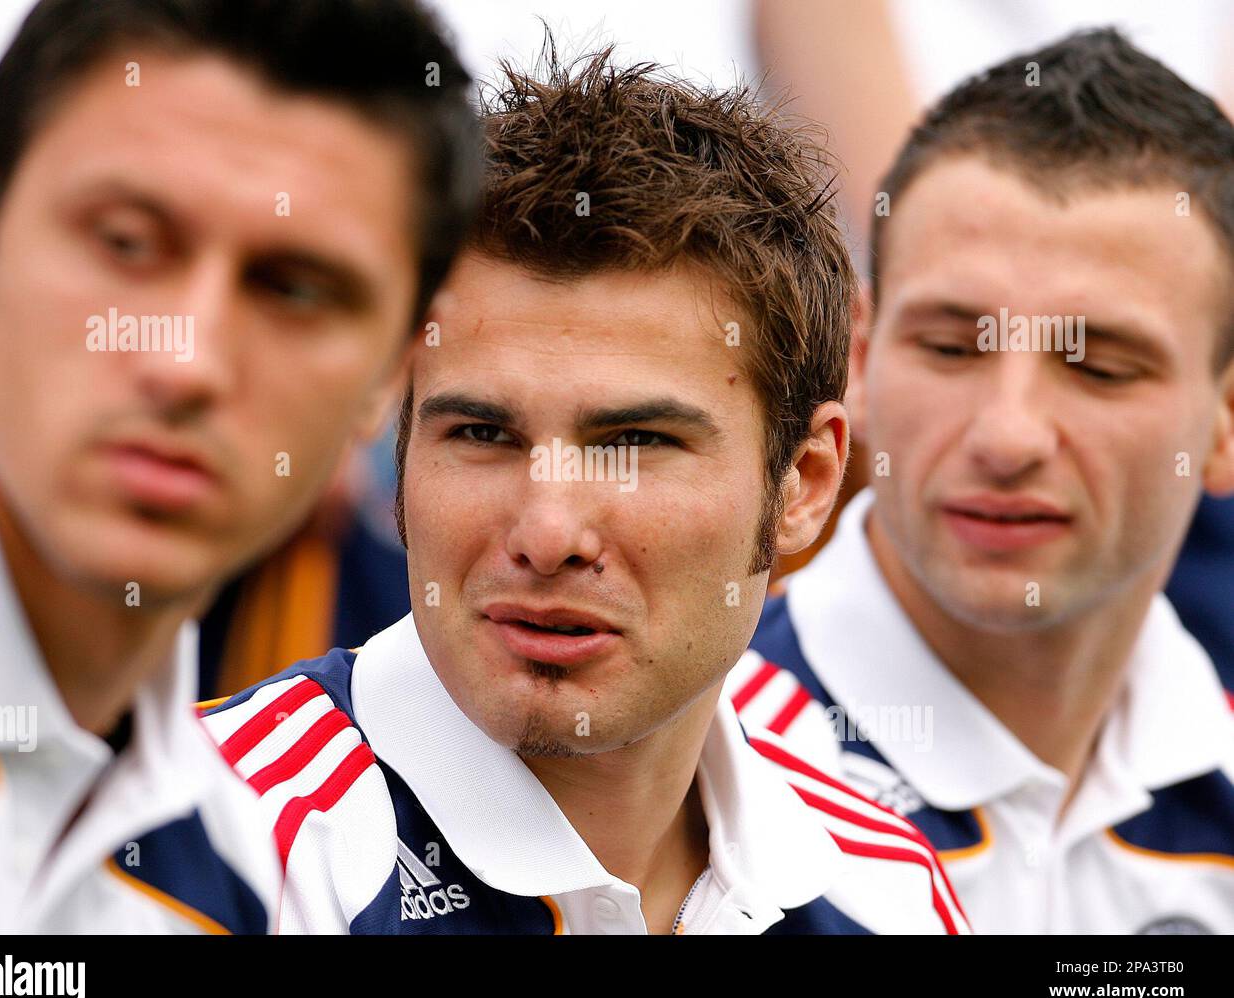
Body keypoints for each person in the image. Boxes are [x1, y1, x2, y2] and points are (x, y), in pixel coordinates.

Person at [201, 43, 968, 935]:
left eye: (633, 443)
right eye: (482, 434)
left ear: (805, 480)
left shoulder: (893, 894)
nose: (548, 529)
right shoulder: (209, 851)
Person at [0, 0, 480, 933]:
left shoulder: (249, 880)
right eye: (127, 243)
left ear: (390, 375)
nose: (186, 358)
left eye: (295, 289)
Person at [739, 28, 1234, 934]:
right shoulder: (692, 781)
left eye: (1099, 367)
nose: (1008, 436)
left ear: (1224, 418)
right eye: (950, 346)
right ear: (859, 361)